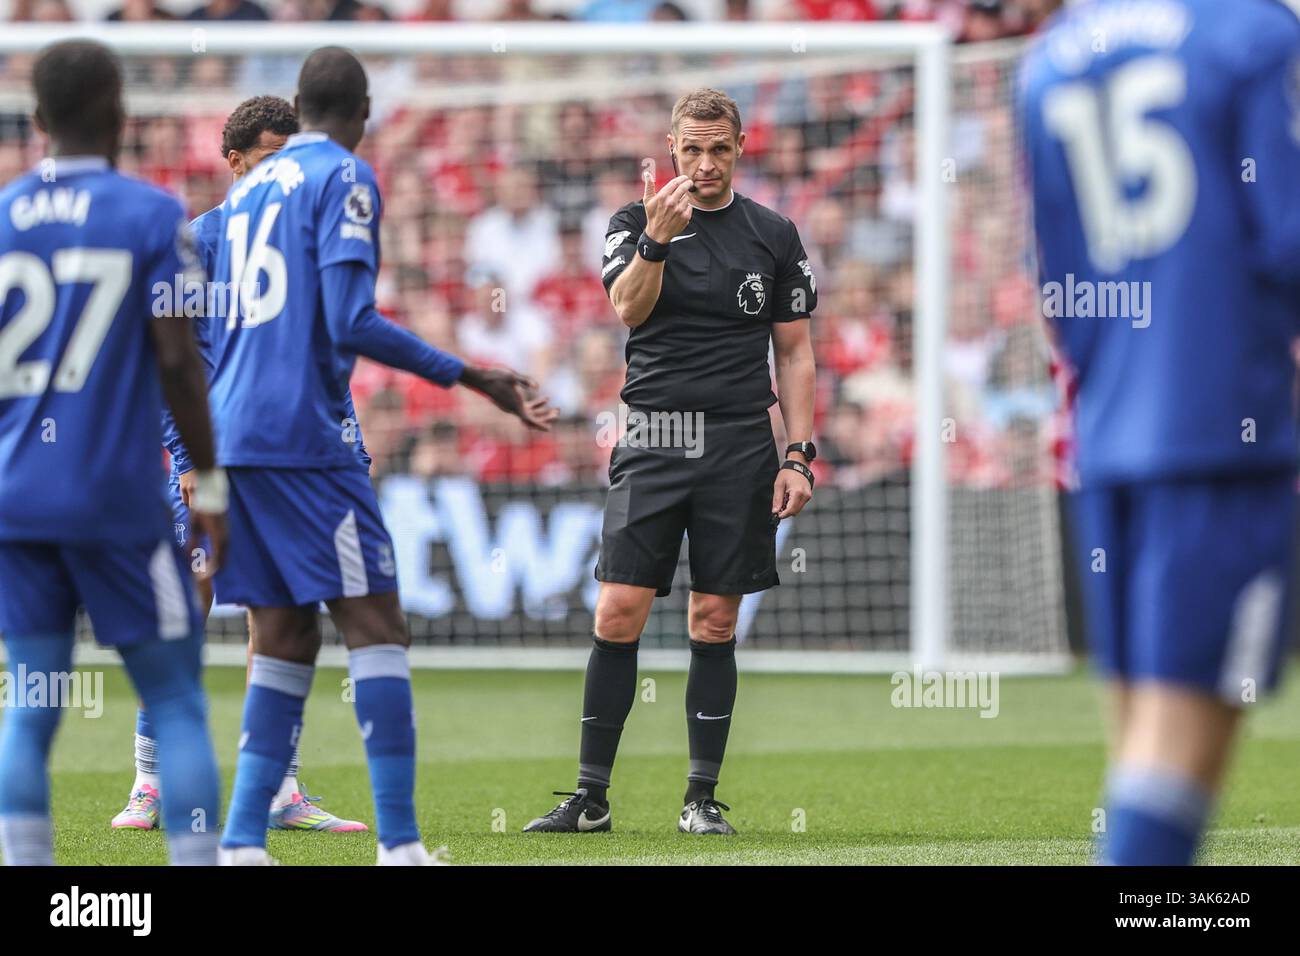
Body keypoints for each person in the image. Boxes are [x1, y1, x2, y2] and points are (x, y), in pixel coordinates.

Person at [209, 47, 557, 865]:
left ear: (300, 104)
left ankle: (238, 843)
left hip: (233, 435)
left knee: (287, 633)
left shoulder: (246, 190)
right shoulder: (344, 175)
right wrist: (472, 375)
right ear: (364, 112)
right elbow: (349, 319)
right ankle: (400, 846)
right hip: (304, 436)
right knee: (375, 622)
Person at [1020, 0, 1300, 864]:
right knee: (1175, 765)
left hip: (1111, 439)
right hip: (1223, 435)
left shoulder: (1052, 57)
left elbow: (1058, 291)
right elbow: (1288, 242)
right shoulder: (1252, 33)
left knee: (1144, 748)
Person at [524, 88, 818, 836]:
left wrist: (800, 454)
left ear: (741, 147)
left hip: (738, 443)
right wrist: (656, 240)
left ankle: (700, 798)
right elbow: (627, 309)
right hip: (655, 436)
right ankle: (590, 797)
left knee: (715, 620)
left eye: (719, 149)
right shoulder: (633, 222)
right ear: (672, 148)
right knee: (617, 610)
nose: (706, 163)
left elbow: (795, 351)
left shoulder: (775, 234)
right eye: (692, 149)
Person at [111, 95, 366, 835]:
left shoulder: (309, 246)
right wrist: (187, 456)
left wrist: (347, 447)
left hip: (291, 460)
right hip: (214, 458)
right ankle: (151, 782)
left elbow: (329, 363)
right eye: (269, 161)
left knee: (281, 619)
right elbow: (166, 364)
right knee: (186, 608)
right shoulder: (195, 244)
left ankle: (279, 788)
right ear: (234, 162)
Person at [0, 40, 226, 865]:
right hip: (118, 500)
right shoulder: (151, 213)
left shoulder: (1, 218)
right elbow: (178, 363)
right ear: (122, 116)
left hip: (18, 499)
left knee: (29, 708)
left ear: (37, 122)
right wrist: (208, 483)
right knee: (173, 697)